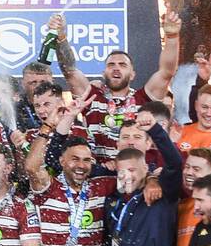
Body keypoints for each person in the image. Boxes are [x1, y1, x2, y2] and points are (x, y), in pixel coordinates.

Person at [49, 10, 182, 166]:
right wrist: (61, 38)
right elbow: (69, 70)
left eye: (122, 65)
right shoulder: (91, 96)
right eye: (111, 65)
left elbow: (167, 72)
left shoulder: (144, 99)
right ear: (104, 72)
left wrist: (172, 37)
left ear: (132, 74)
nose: (116, 68)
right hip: (98, 174)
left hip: (137, 174)